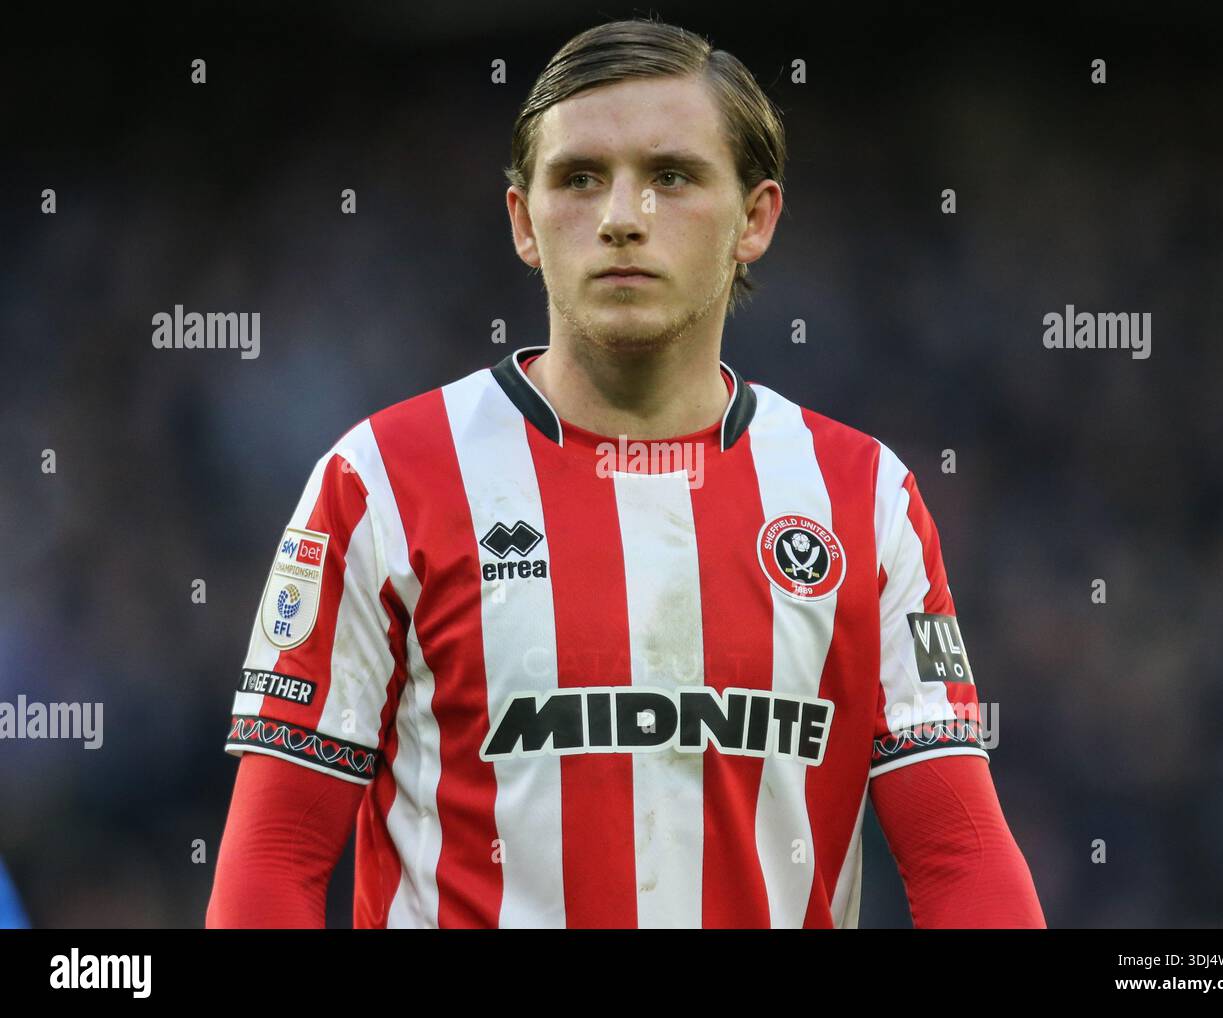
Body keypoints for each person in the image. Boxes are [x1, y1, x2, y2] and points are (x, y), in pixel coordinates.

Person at [208, 16, 1045, 929]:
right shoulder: (380, 480)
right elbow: (275, 863)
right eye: (579, 179)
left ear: (754, 219)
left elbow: (960, 860)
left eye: (672, 177)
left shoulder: (863, 498)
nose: (620, 218)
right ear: (525, 222)